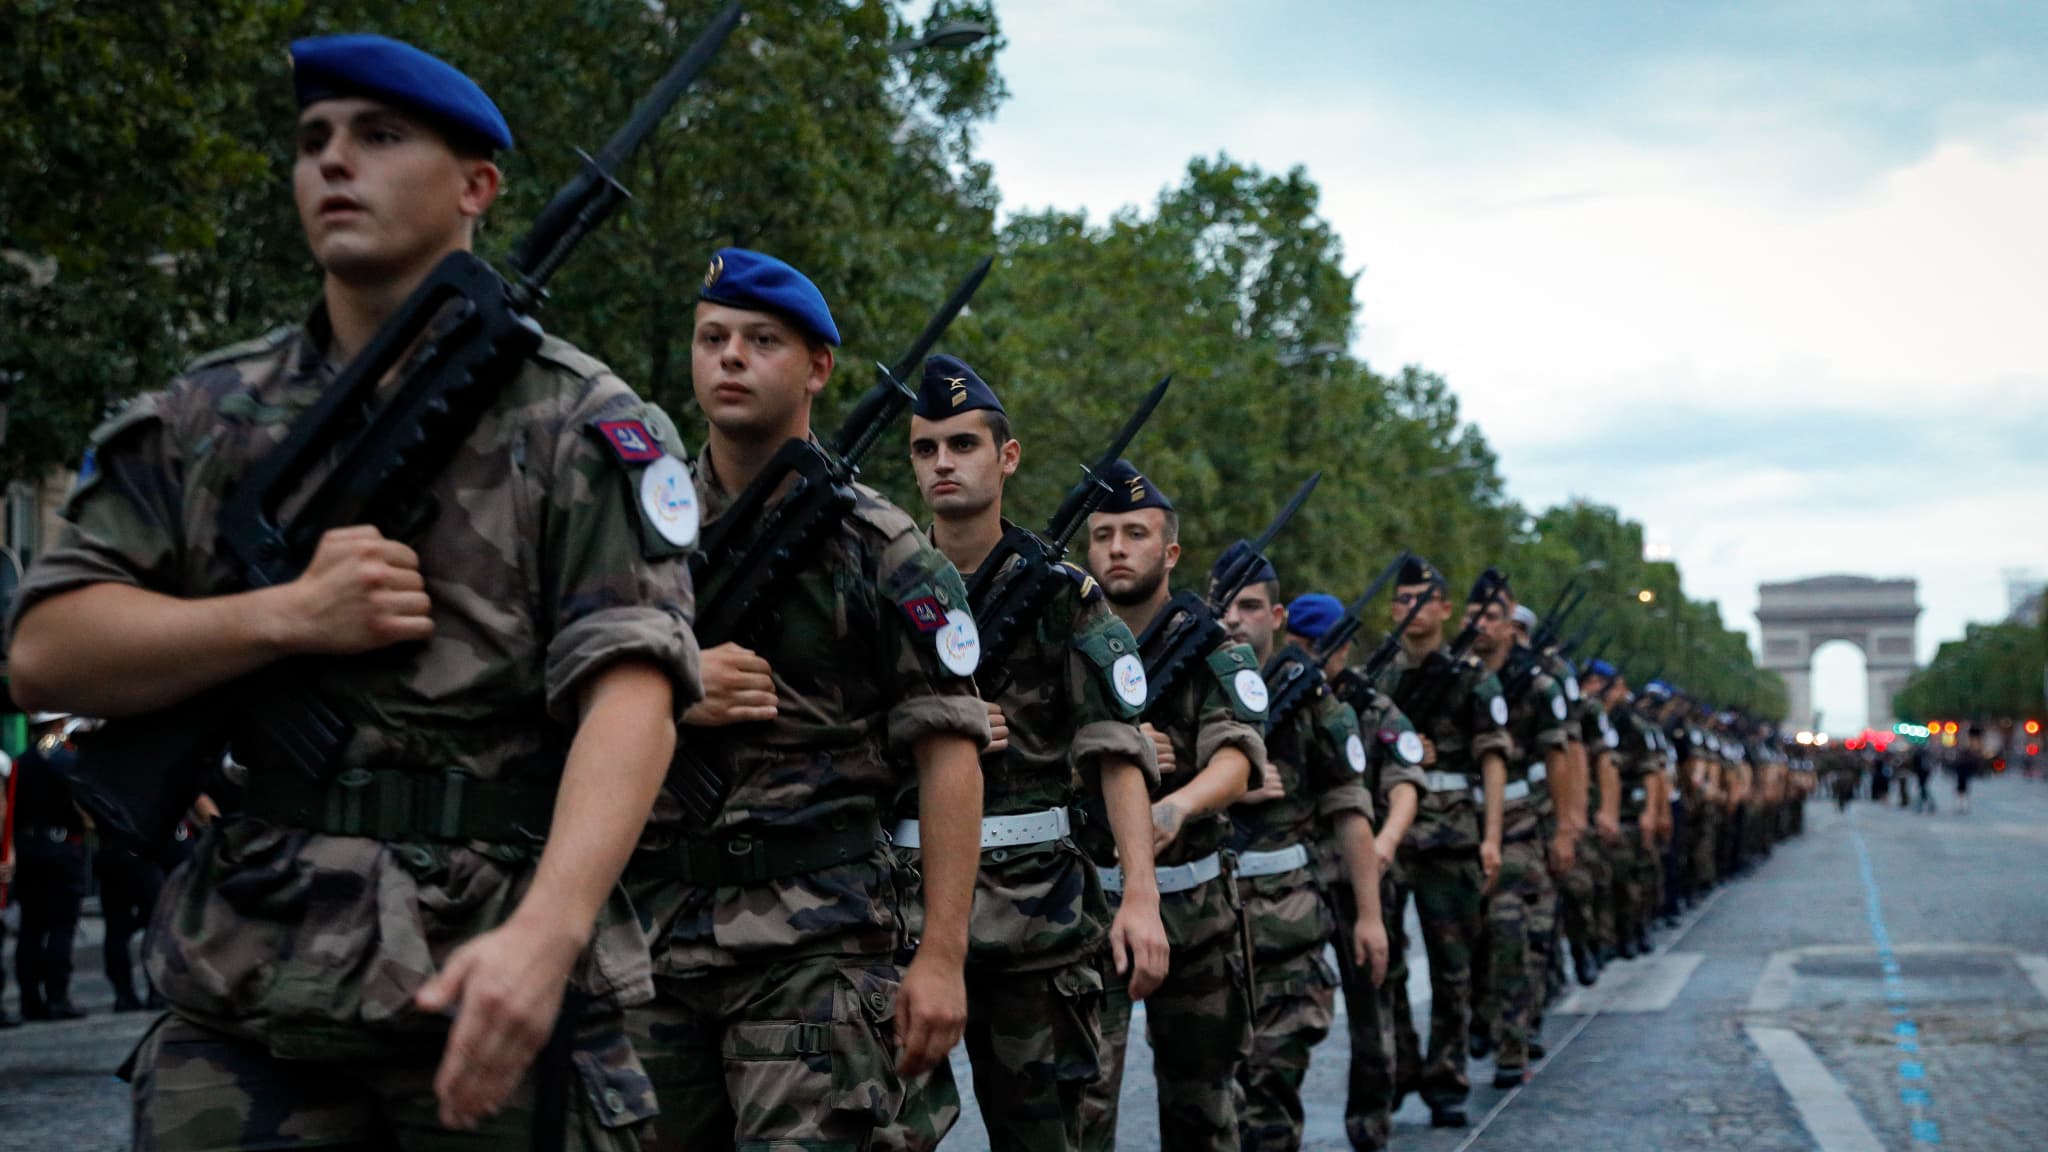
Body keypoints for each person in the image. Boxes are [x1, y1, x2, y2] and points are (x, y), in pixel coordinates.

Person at [9, 34, 700, 1148]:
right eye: (313, 141)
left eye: (380, 138)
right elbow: (46, 649)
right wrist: (280, 616)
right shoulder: (204, 413)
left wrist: (548, 933)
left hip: (490, 974)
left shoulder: (582, 423)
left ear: (477, 188)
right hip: (247, 980)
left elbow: (634, 688)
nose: (335, 163)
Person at [623, 249, 989, 1152]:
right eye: (713, 339)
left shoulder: (882, 544)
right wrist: (676, 682)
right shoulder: (635, 520)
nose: (731, 359)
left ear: (819, 367)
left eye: (762, 341)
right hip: (648, 937)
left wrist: (941, 956)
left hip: (814, 944)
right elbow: (554, 687)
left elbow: (952, 750)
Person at [894, 354, 1167, 1152]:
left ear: (1006, 456)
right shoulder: (882, 575)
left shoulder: (1061, 592)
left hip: (1037, 916)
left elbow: (1117, 746)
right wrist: (933, 722)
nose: (944, 462)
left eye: (964, 444)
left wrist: (1140, 896)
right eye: (926, 448)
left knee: (1047, 1132)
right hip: (901, 909)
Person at [1079, 459, 1266, 1152]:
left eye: (1135, 532)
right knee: (1082, 1111)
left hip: (1197, 915)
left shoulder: (1214, 647)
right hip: (1088, 911)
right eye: (1102, 534)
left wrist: (1177, 803)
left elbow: (1239, 757)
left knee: (1203, 1110)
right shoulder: (1063, 641)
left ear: (1171, 551)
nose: (1117, 547)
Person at [1216, 547, 1387, 1151]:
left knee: (1268, 1100)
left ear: (1278, 616)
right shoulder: (1178, 686)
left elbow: (1350, 808)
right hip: (1202, 926)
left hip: (1287, 923)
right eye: (1225, 605)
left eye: (1251, 606)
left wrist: (1368, 916)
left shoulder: (1312, 698)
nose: (1235, 618)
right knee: (1208, 1108)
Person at [1371, 558, 1510, 1130]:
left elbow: (1493, 756)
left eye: (1422, 598)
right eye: (1402, 599)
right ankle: (1402, 1064)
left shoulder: (1471, 674)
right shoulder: (1378, 672)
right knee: (1385, 962)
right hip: (1388, 834)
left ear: (1445, 609)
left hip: (1452, 836)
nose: (1411, 608)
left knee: (1454, 969)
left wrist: (1492, 837)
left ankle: (1447, 1077)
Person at [1287, 591, 1426, 1152]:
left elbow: (1406, 778)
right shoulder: (1276, 695)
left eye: (1319, 646)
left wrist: (1387, 841)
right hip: (1291, 879)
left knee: (1372, 1003)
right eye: (1299, 643)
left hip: (1357, 874)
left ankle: (1369, 1123)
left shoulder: (1370, 707)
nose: (1310, 655)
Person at [1465, 591, 1570, 1088]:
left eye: (1492, 617)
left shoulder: (1537, 685)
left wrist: (1568, 828)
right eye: (1474, 616)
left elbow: (1561, 757)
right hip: (1455, 824)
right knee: (1473, 940)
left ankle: (1512, 1040)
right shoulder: (1452, 679)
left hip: (1523, 825)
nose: (1480, 625)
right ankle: (1483, 1020)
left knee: (1514, 931)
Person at [10, 714, 90, 1022]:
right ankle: (57, 997)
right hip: (62, 848)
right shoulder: (68, 759)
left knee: (31, 927)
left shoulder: (22, 761)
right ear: (59, 724)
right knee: (60, 926)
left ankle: (30, 1000)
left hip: (30, 849)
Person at [94, 825, 166, 1011]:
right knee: (155, 926)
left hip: (112, 850)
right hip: (141, 850)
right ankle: (154, 992)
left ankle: (124, 995)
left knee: (117, 929)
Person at [1955, 728, 1984, 815]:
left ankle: (1962, 806)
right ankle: (1962, 806)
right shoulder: (1967, 756)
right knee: (1963, 791)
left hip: (1963, 775)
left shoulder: (1964, 757)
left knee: (1962, 792)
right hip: (1963, 775)